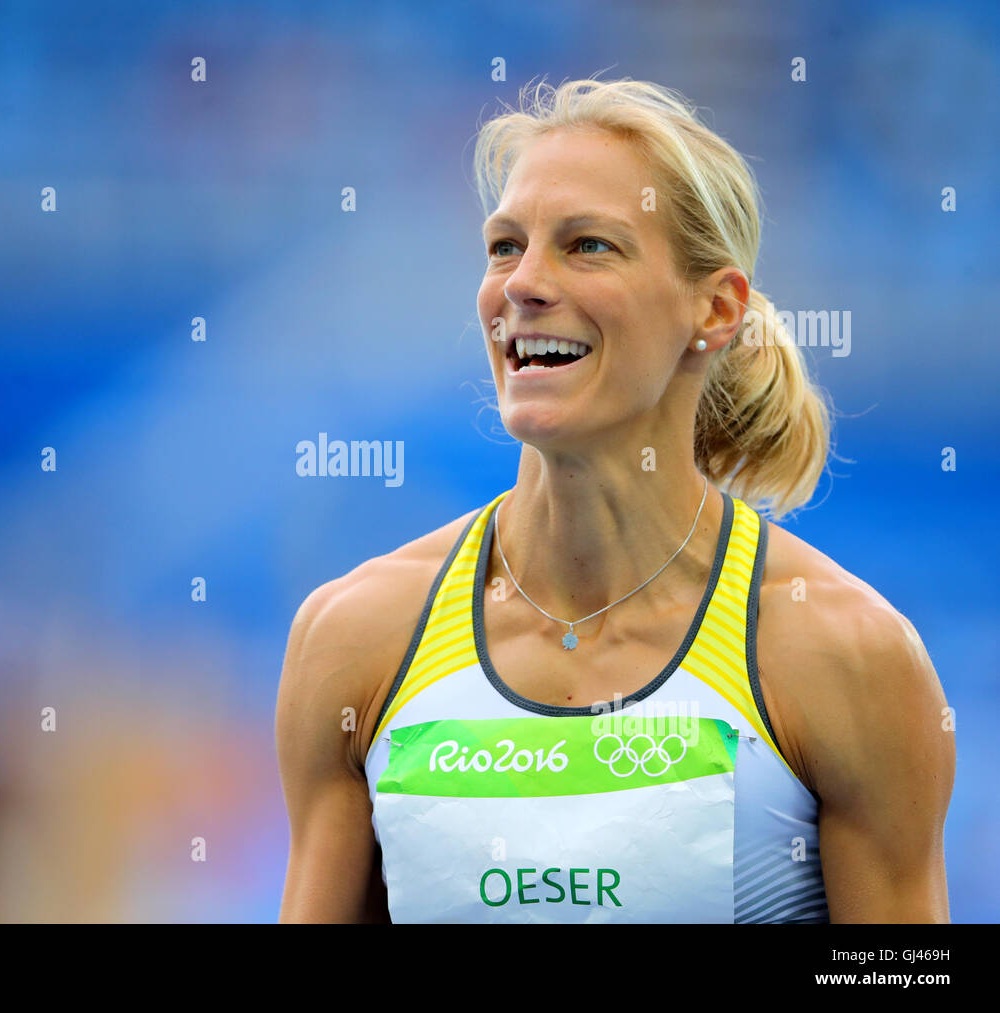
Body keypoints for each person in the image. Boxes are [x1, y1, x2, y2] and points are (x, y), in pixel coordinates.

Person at [275, 78, 953, 923]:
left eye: (588, 245)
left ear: (715, 309)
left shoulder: (845, 653)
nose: (523, 283)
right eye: (503, 246)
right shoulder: (356, 637)